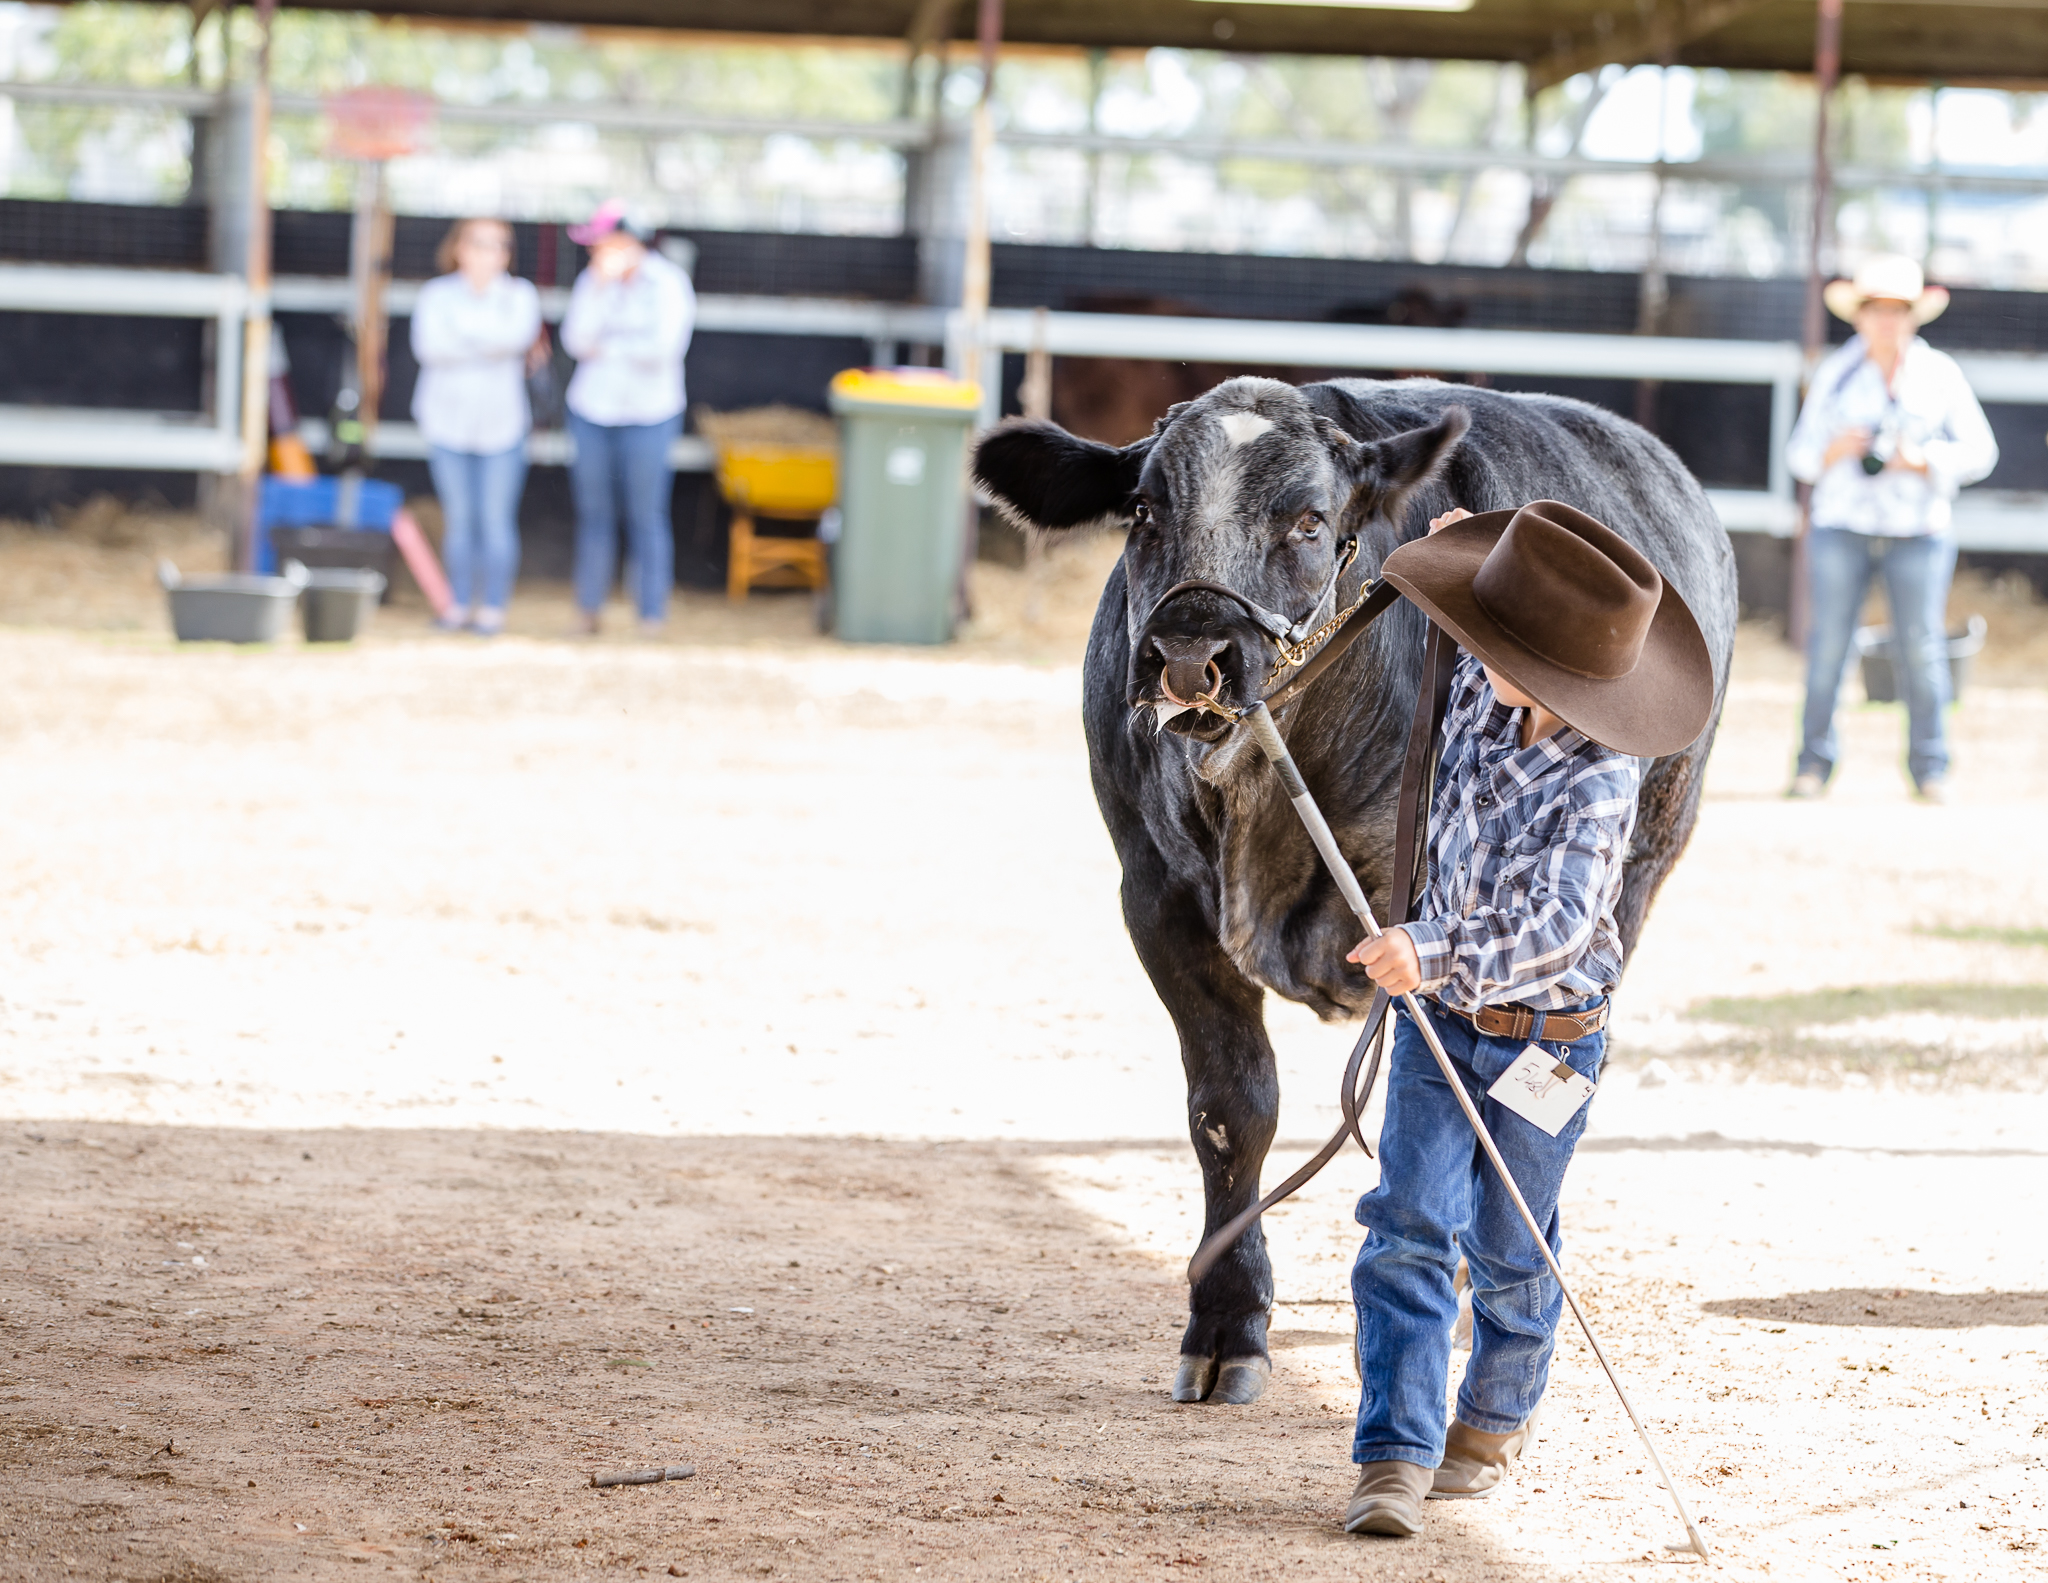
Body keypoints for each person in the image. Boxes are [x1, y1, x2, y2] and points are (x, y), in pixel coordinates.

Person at [1338, 500, 1715, 1540]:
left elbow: (1556, 926)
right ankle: (1393, 1450)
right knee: (1409, 1222)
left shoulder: (1599, 775)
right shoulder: (1481, 690)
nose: (1474, 648)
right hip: (1437, 1022)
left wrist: (1432, 949)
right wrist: (1457, 548)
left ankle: (1495, 1411)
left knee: (1511, 1239)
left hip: (1546, 1042)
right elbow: (1446, 621)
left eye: (1492, 637)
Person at [1784, 253, 1997, 803]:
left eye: (1896, 309)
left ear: (1912, 316)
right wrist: (1834, 451)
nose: (1885, 320)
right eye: (1875, 309)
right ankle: (1813, 764)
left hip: (1917, 530)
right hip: (1843, 526)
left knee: (1921, 648)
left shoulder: (1940, 374)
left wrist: (1923, 459)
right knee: (1829, 645)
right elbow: (1799, 457)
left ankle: (1931, 769)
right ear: (1858, 315)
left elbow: (1981, 451)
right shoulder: (1835, 374)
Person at [559, 202, 696, 635]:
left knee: (646, 513)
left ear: (629, 241)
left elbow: (663, 351)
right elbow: (576, 340)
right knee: (594, 512)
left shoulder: (669, 283)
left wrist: (610, 349)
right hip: (592, 410)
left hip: (649, 414)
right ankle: (589, 609)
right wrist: (600, 290)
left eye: (603, 242)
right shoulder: (592, 282)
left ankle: (651, 613)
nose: (596, 251)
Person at [410, 217, 543, 636]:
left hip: (502, 427)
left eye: (499, 245)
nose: (490, 253)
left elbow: (517, 337)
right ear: (459, 248)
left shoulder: (520, 295)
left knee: (495, 519)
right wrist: (487, 343)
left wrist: (463, 340)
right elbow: (430, 348)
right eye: (480, 243)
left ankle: (493, 609)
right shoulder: (436, 294)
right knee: (460, 519)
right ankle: (458, 604)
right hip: (446, 423)